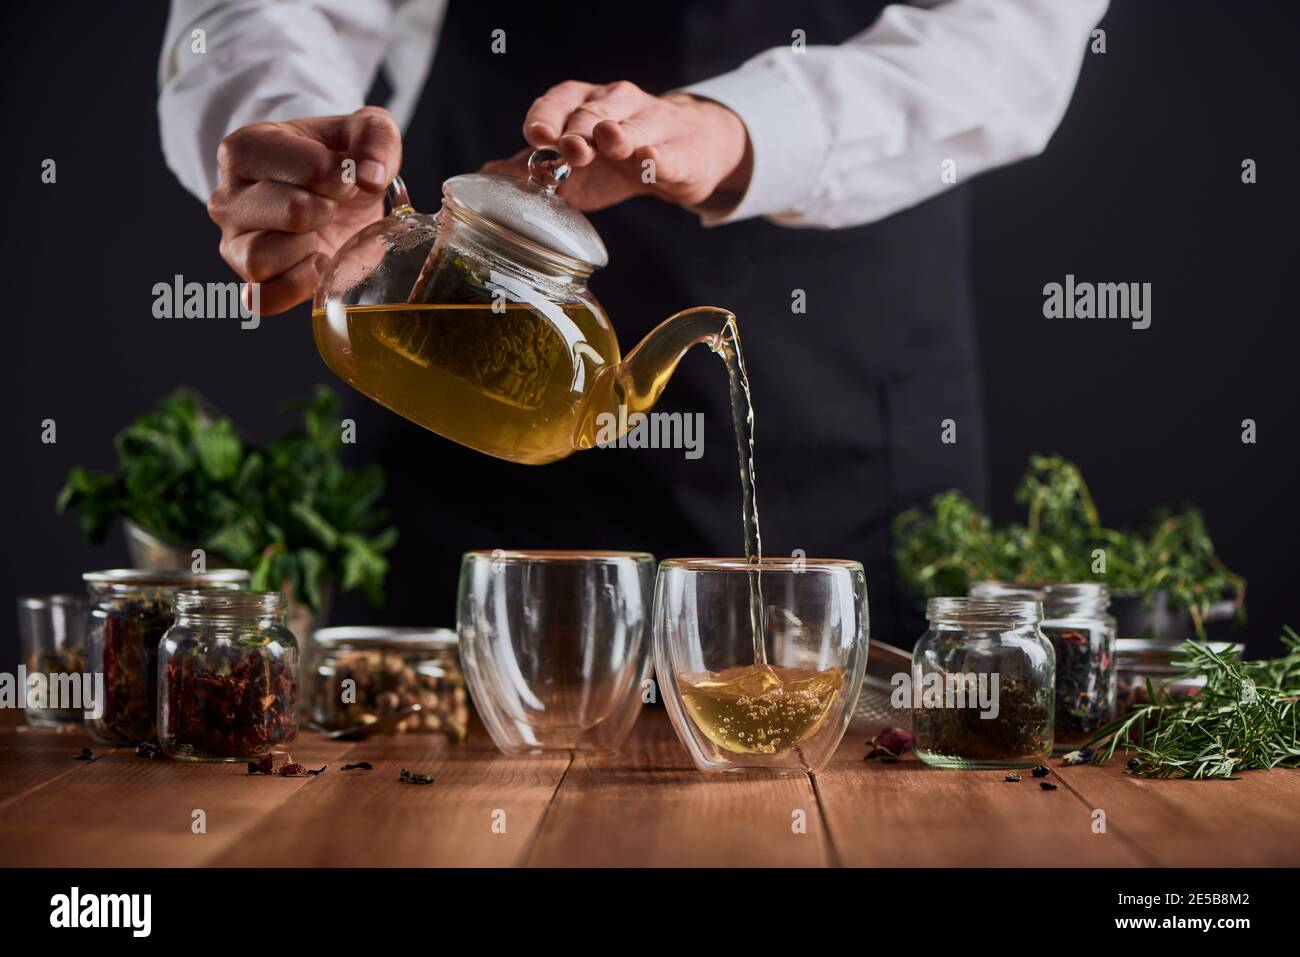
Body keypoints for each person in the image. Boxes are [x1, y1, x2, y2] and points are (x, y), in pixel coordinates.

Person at [159, 0, 1108, 640]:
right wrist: (289, 130)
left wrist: (739, 128)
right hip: (463, 326)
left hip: (844, 377)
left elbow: (1017, 28)